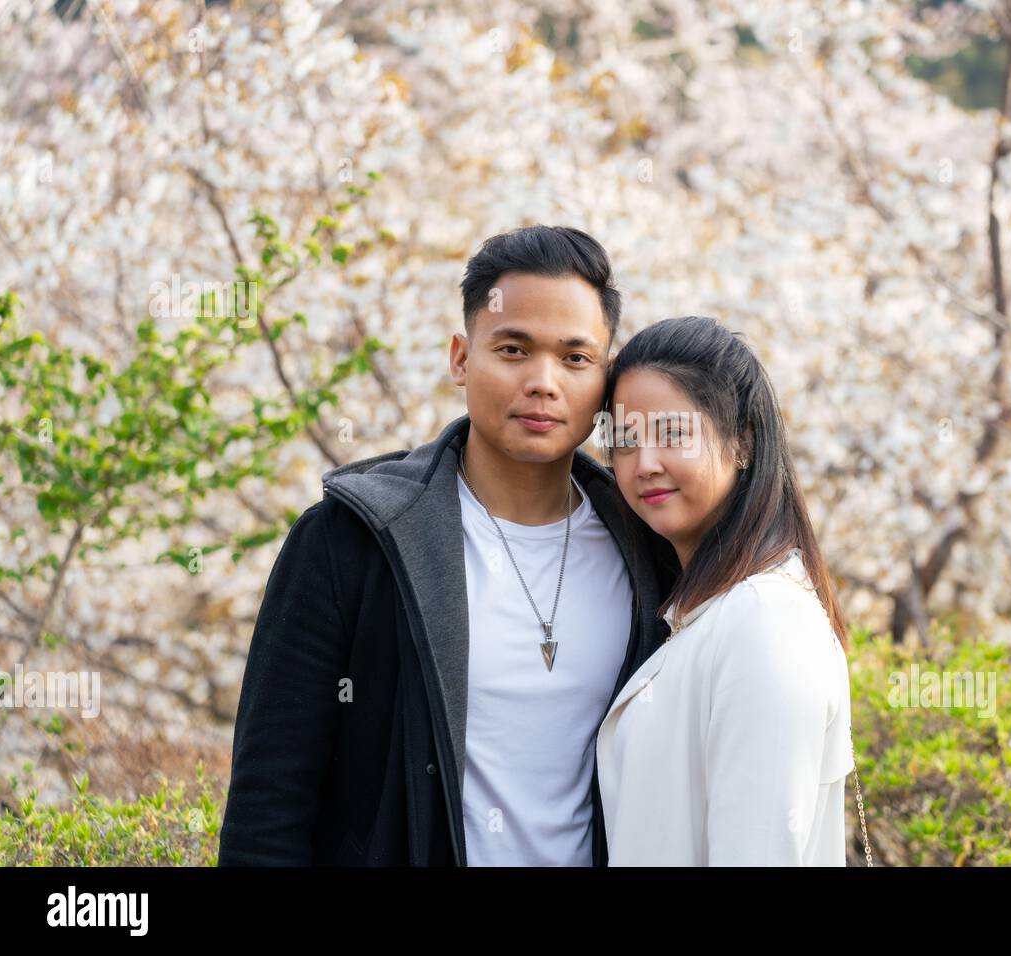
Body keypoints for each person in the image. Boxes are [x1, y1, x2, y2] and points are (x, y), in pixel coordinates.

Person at [218, 225, 675, 865]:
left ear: (605, 378)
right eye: (513, 349)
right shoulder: (351, 542)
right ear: (461, 358)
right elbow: (269, 806)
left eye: (575, 358)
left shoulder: (649, 547)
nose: (544, 382)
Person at [595, 315, 855, 865]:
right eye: (624, 440)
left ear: (743, 441)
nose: (644, 464)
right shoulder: (703, 613)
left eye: (672, 434)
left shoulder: (766, 619)